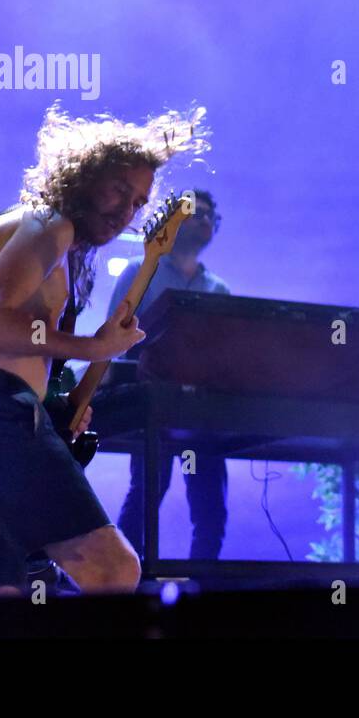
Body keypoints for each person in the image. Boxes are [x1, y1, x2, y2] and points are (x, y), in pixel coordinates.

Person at [0, 104, 207, 595]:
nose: (126, 211)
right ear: (84, 175)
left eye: (137, 202)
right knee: (115, 570)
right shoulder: (50, 224)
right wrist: (92, 346)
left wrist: (55, 405)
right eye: (118, 189)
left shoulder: (20, 229)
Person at [111, 188, 232, 561]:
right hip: (151, 406)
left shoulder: (219, 289)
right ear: (174, 222)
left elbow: (229, 354)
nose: (207, 220)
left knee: (210, 503)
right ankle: (126, 587)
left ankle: (204, 589)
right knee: (149, 490)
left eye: (213, 215)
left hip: (202, 413)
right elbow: (113, 341)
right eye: (199, 213)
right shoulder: (139, 274)